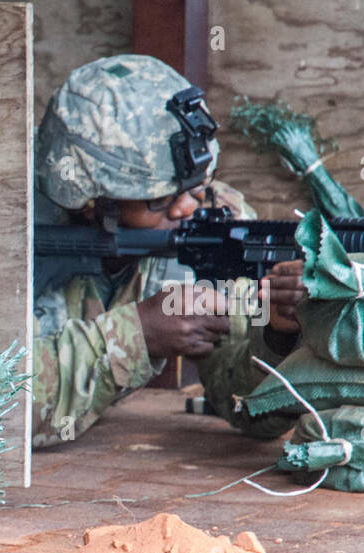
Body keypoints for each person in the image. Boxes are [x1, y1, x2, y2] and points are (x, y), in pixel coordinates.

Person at [31, 54, 307, 447]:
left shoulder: (218, 232)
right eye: (159, 200)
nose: (186, 209)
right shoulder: (2, 234)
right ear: (91, 200)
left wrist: (278, 335)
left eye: (195, 189)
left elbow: (248, 408)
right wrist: (138, 334)